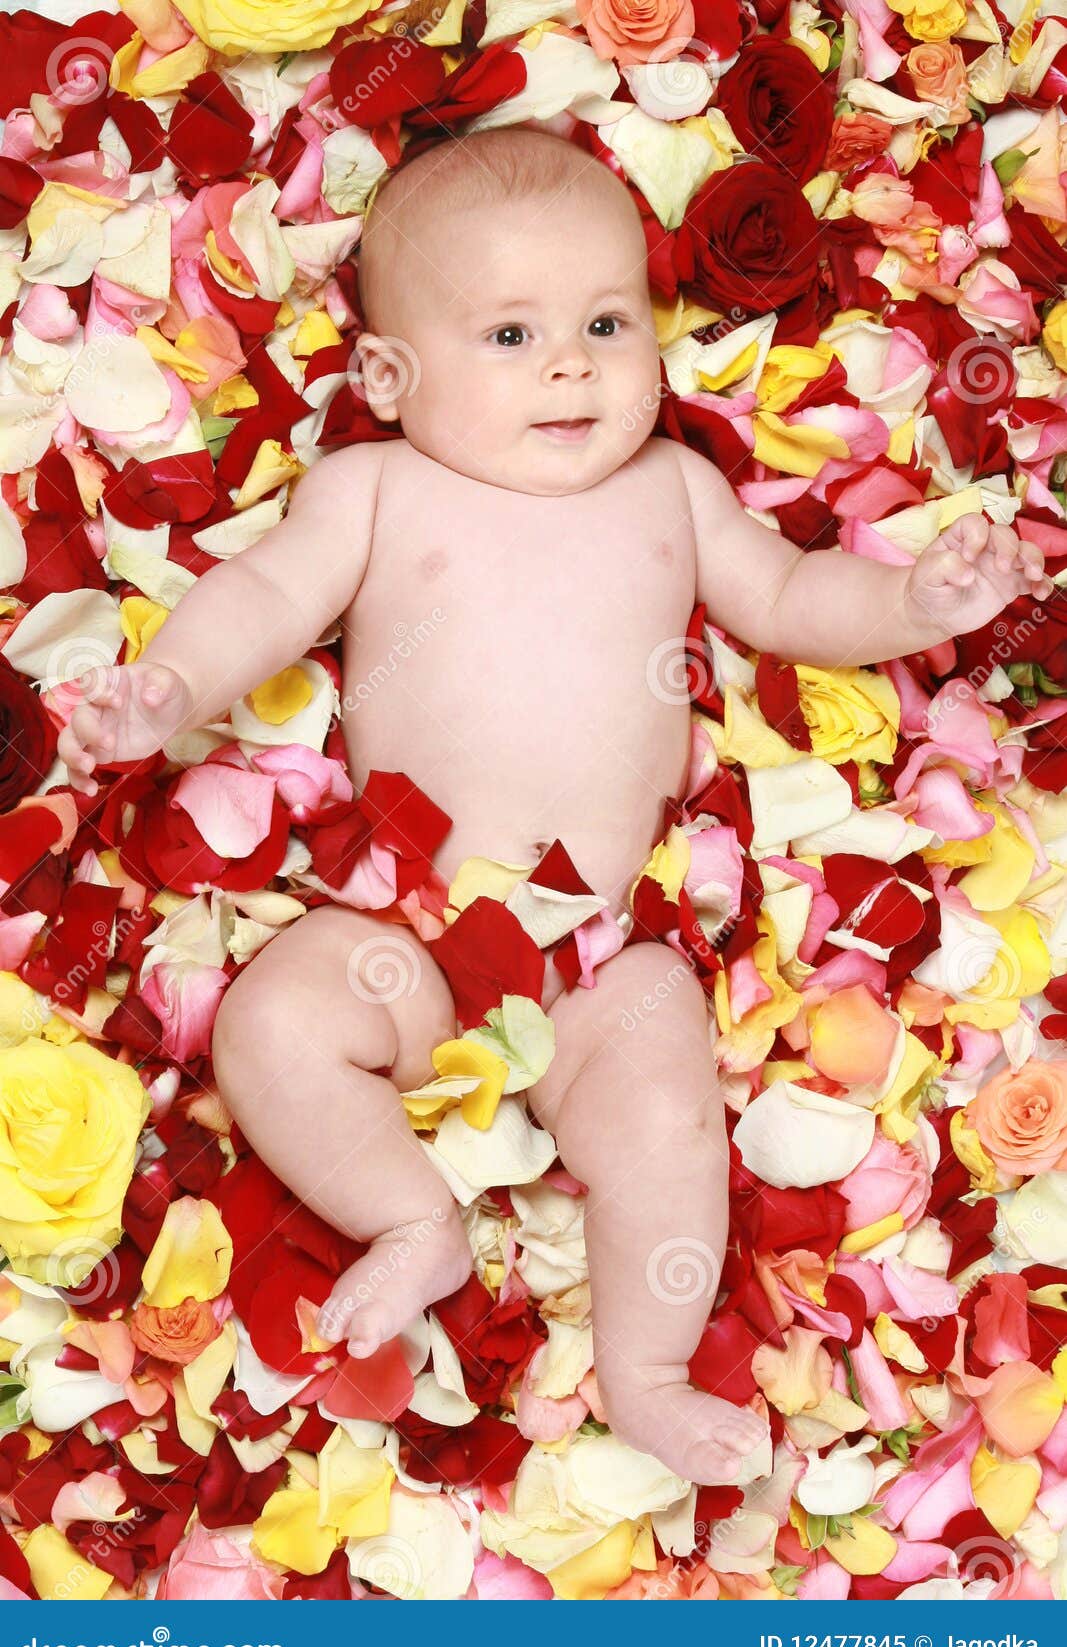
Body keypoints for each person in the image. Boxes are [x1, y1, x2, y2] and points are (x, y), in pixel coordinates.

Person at [57, 125, 1050, 1484]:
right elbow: (268, 599)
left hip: (598, 944)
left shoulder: (675, 494)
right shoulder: (377, 491)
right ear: (392, 380)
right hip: (398, 922)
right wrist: (168, 688)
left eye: (603, 321)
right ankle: (412, 1219)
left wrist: (914, 602)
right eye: (511, 337)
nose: (574, 362)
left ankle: (643, 1366)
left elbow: (793, 602)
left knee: (664, 1114)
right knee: (273, 1026)